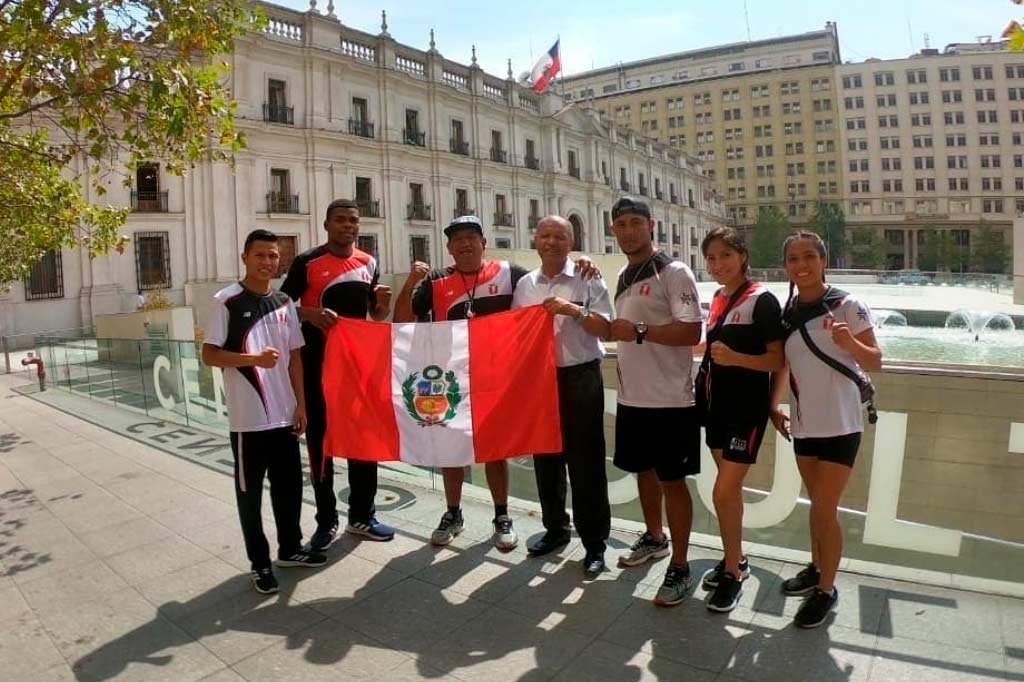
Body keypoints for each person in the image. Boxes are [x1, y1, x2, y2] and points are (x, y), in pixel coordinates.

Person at [202, 229, 327, 594]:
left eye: (273, 256)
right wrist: (252, 359)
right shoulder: (226, 300)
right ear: (245, 258)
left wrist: (301, 404)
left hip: (285, 418)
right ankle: (259, 564)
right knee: (250, 496)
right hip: (248, 422)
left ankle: (290, 549)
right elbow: (209, 354)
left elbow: (295, 358)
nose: (267, 262)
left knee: (288, 489)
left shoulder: (285, 302)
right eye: (260, 255)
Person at [393, 215, 529, 551]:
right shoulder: (436, 281)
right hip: (450, 382)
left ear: (484, 243)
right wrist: (411, 282)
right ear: (449, 248)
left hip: (495, 381)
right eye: (457, 239)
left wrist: (583, 265)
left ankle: (502, 516)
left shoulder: (510, 274)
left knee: (494, 450)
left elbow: (542, 298)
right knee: (451, 451)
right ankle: (453, 513)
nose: (465, 244)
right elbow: (401, 321)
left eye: (472, 237)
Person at [770, 230, 882, 628]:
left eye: (809, 257)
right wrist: (772, 405)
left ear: (823, 261)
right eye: (794, 259)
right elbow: (784, 364)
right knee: (816, 506)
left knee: (824, 508)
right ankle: (817, 568)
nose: (801, 265)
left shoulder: (848, 304)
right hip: (804, 424)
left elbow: (876, 361)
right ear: (786, 267)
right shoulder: (788, 312)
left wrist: (850, 342)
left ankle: (827, 589)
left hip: (842, 424)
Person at [281, 199, 396, 550]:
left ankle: (362, 515)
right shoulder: (307, 263)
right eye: (341, 220)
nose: (348, 226)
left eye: (353, 221)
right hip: (318, 369)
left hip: (358, 371)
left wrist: (382, 305)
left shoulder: (368, 262)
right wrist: (311, 314)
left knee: (365, 442)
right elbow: (281, 307)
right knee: (322, 444)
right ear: (327, 225)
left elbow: (375, 316)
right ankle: (326, 520)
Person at [607, 196, 703, 607]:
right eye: (621, 225)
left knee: (673, 483)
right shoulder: (626, 274)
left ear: (652, 225)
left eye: (635, 223)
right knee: (642, 473)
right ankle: (655, 537)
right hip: (633, 399)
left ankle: (681, 566)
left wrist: (640, 330)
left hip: (671, 402)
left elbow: (692, 332)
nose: (628, 231)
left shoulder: (674, 272)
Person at [511, 215, 613, 578]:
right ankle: (556, 529)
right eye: (545, 236)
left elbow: (608, 326)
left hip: (581, 377)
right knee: (546, 458)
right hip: (540, 382)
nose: (551, 242)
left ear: (571, 242)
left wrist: (574, 310)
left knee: (586, 463)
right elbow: (512, 334)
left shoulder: (589, 276)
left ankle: (595, 544)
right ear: (535, 241)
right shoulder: (524, 284)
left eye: (559, 236)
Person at [696, 227, 785, 613]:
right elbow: (710, 347)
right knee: (727, 494)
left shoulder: (762, 300)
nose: (718, 265)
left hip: (745, 413)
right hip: (715, 407)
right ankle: (736, 558)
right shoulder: (717, 297)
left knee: (722, 491)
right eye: (711, 258)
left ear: (742, 256)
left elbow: (778, 360)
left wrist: (737, 360)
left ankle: (733, 572)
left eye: (725, 256)